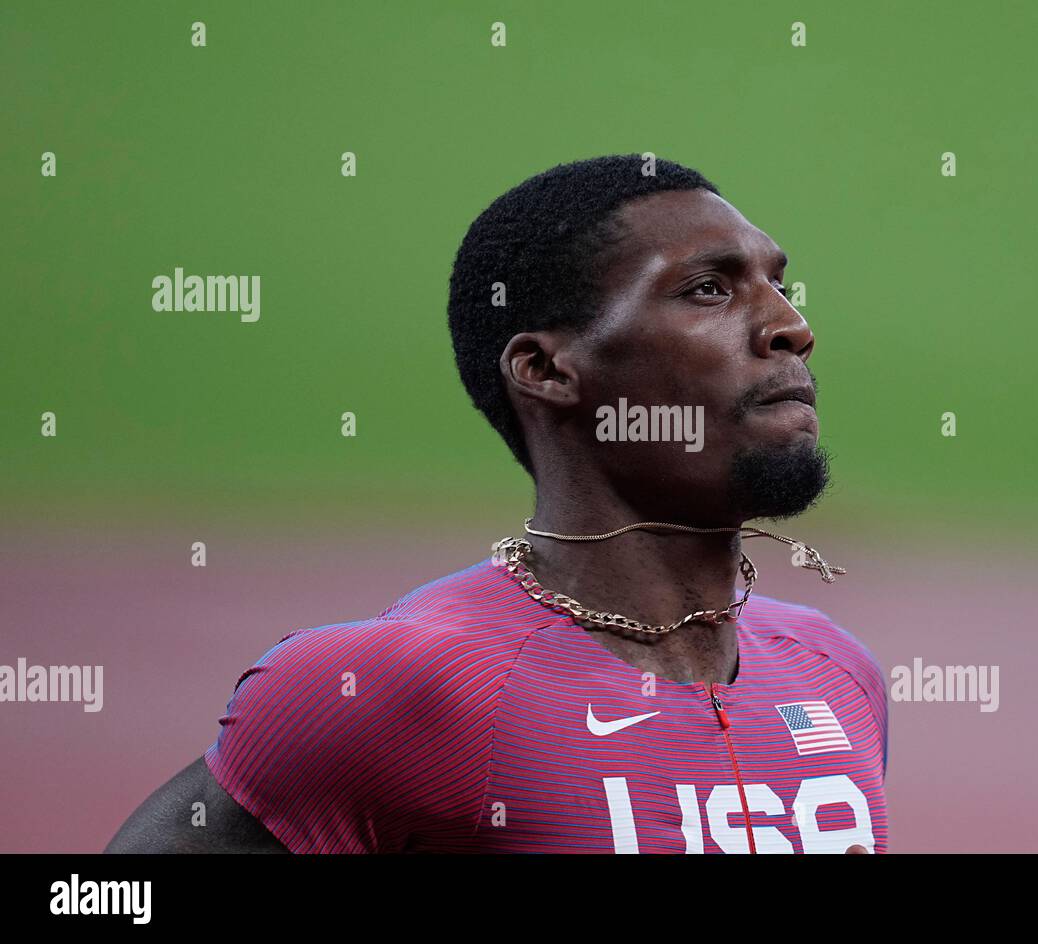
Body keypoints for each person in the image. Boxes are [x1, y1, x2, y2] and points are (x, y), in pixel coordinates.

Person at [105, 154, 889, 854]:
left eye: (779, 287)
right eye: (708, 290)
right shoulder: (396, 687)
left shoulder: (833, 672)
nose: (791, 327)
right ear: (547, 370)